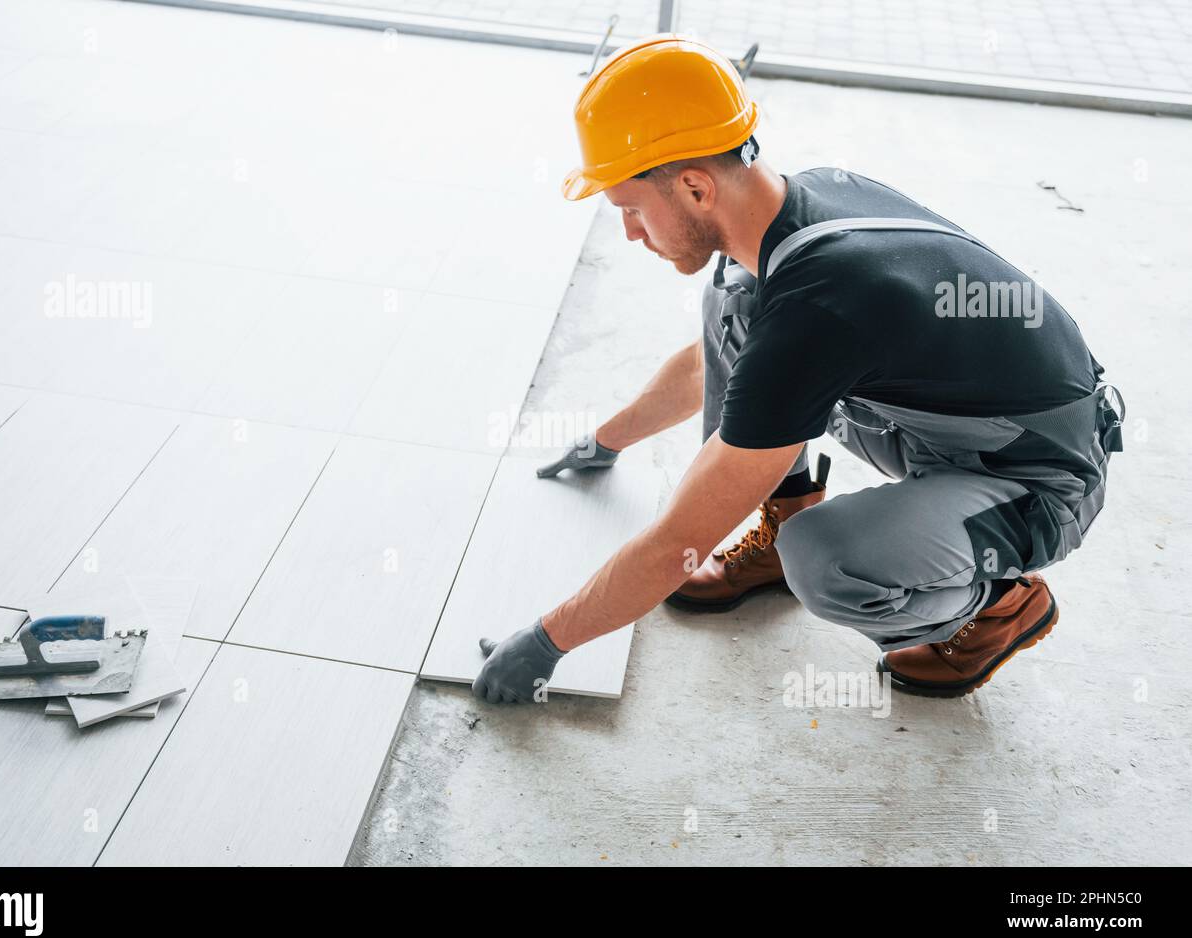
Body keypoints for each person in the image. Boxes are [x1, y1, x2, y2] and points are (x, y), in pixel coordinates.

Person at [472, 34, 1124, 703]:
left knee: (824, 560)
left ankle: (996, 609)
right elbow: (714, 365)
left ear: (695, 186)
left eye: (631, 208)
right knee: (731, 304)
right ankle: (781, 514)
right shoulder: (789, 207)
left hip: (1038, 476)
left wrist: (547, 641)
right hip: (957, 424)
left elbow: (677, 545)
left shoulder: (826, 304)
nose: (632, 232)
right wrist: (607, 439)